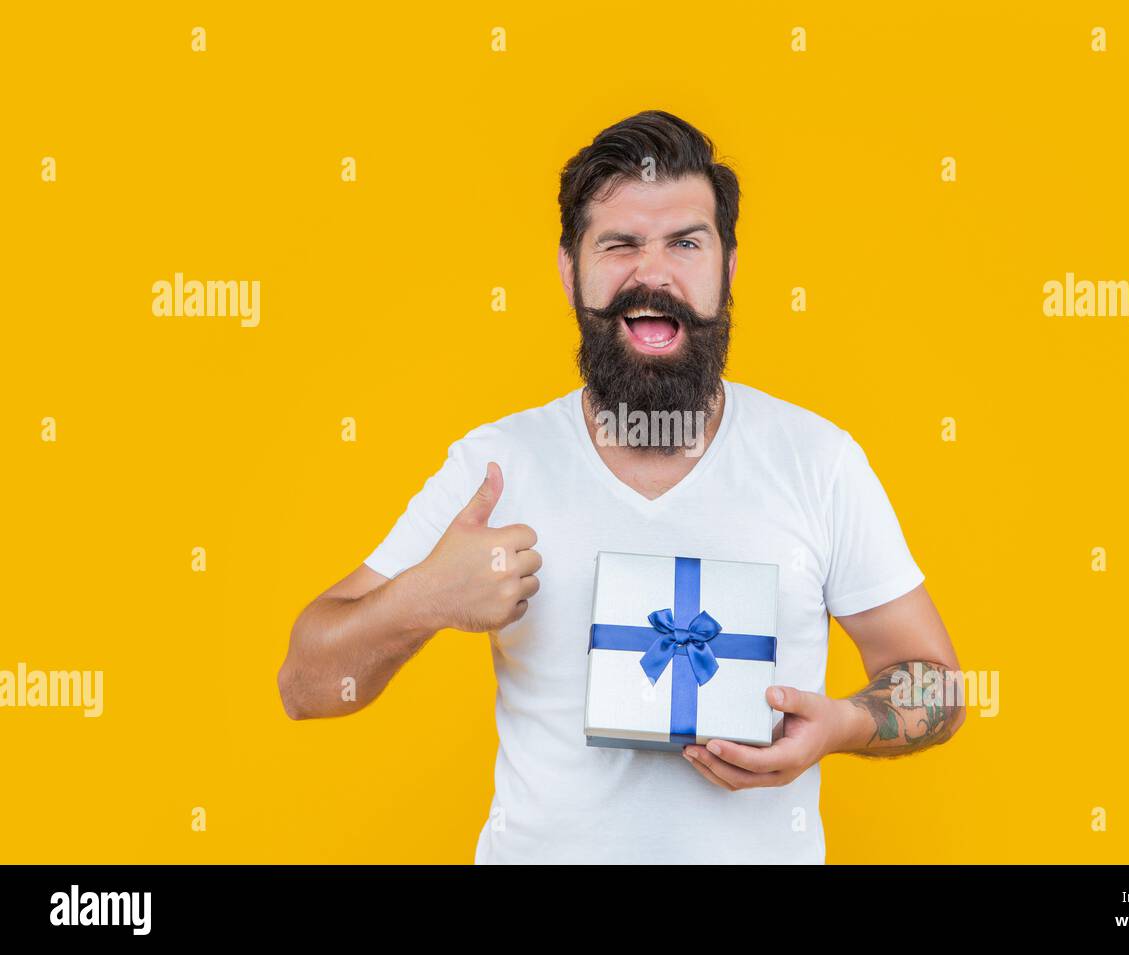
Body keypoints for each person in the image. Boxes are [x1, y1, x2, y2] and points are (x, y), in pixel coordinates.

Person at [277, 110, 964, 864]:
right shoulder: (496, 467)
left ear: (727, 267)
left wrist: (842, 724)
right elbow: (304, 684)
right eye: (621, 244)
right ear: (570, 270)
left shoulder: (818, 461)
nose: (654, 274)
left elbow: (941, 687)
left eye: (685, 243)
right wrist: (425, 597)